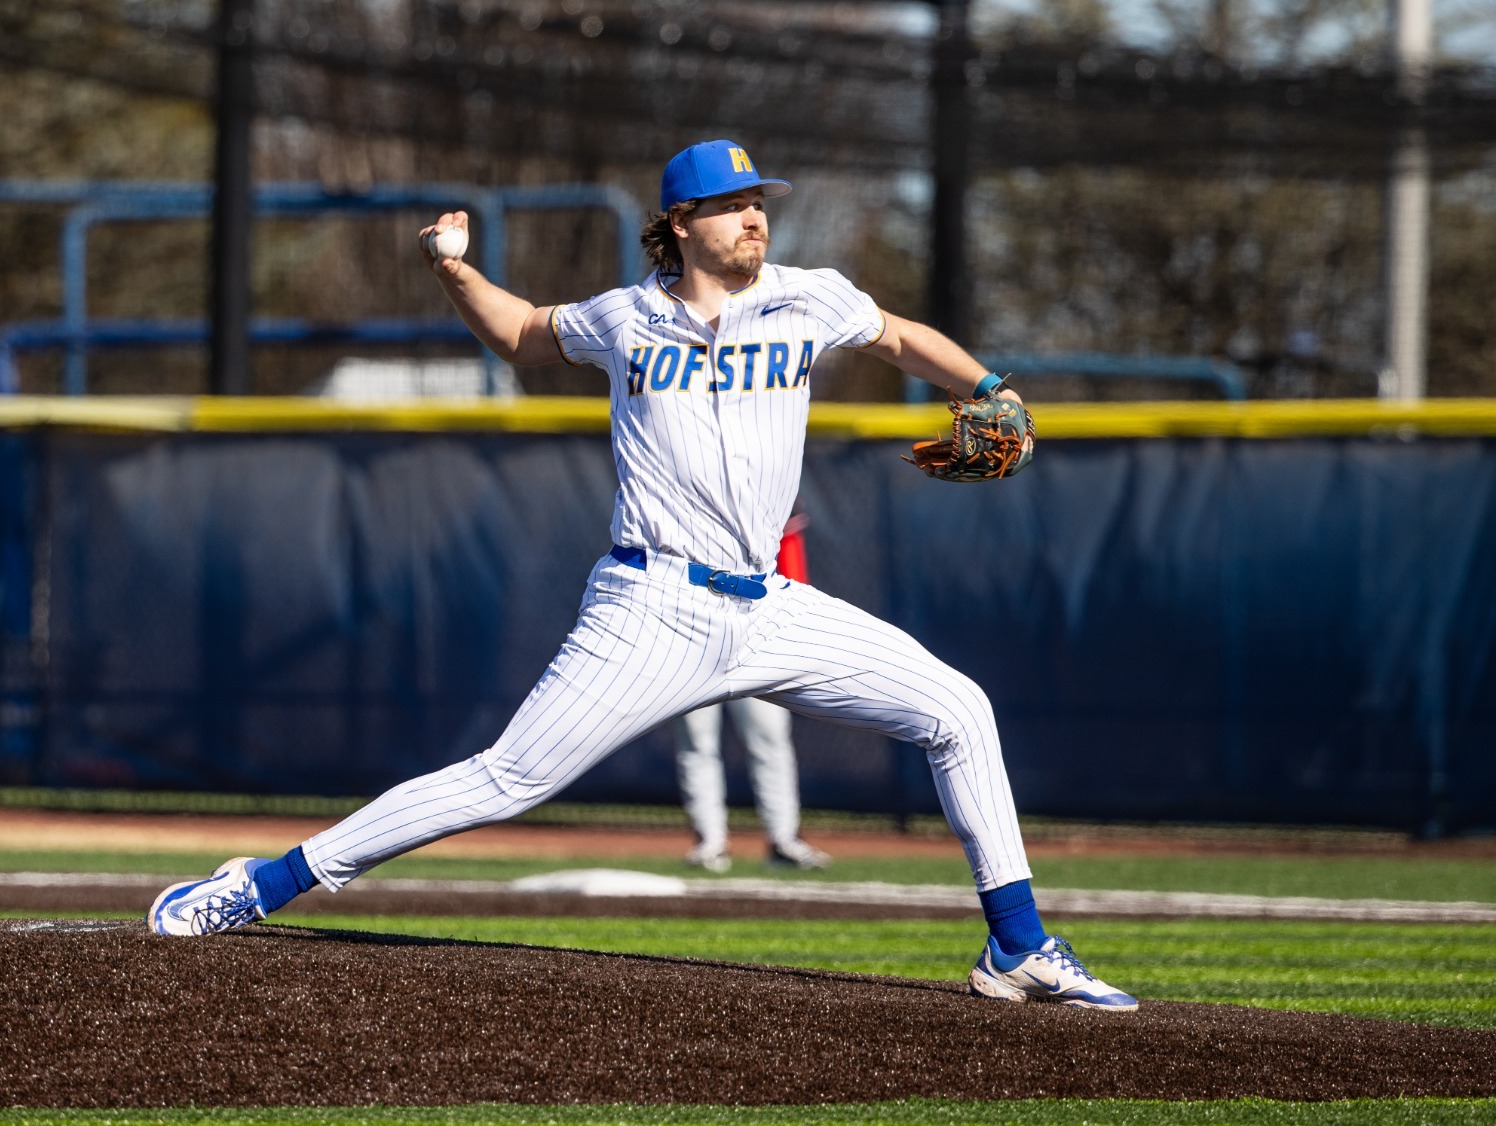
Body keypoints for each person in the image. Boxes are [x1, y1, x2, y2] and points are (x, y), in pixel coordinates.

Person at [148, 140, 1138, 1011]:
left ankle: (1015, 946)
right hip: (650, 601)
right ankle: (265, 881)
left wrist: (989, 388)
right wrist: (452, 270)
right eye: (730, 203)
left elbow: (895, 335)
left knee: (957, 708)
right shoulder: (626, 317)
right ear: (679, 221)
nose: (753, 215)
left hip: (771, 604)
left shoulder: (809, 294)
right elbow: (524, 331)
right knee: (504, 778)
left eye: (758, 201)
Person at [677, 513, 831, 873]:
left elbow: (791, 563)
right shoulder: (683, 488)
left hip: (756, 632)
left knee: (770, 737)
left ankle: (784, 839)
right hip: (694, 632)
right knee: (698, 740)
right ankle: (710, 840)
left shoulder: (764, 484)